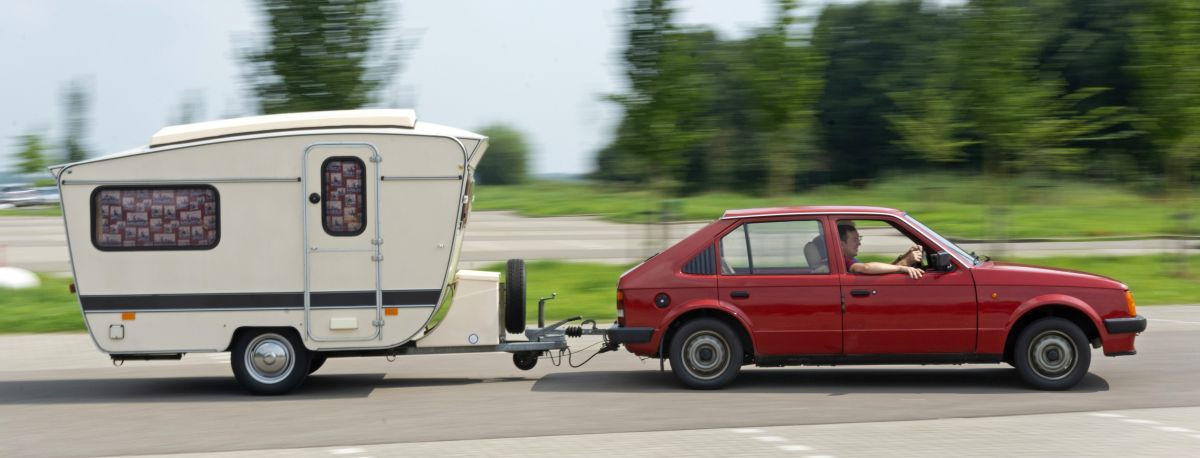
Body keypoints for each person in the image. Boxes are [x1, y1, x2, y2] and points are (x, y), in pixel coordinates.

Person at [838, 222, 924, 279]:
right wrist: (903, 265)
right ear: (841, 244)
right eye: (855, 240)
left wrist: (904, 257)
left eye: (859, 239)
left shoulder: (849, 260)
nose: (859, 243)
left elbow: (882, 269)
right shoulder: (845, 262)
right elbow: (866, 267)